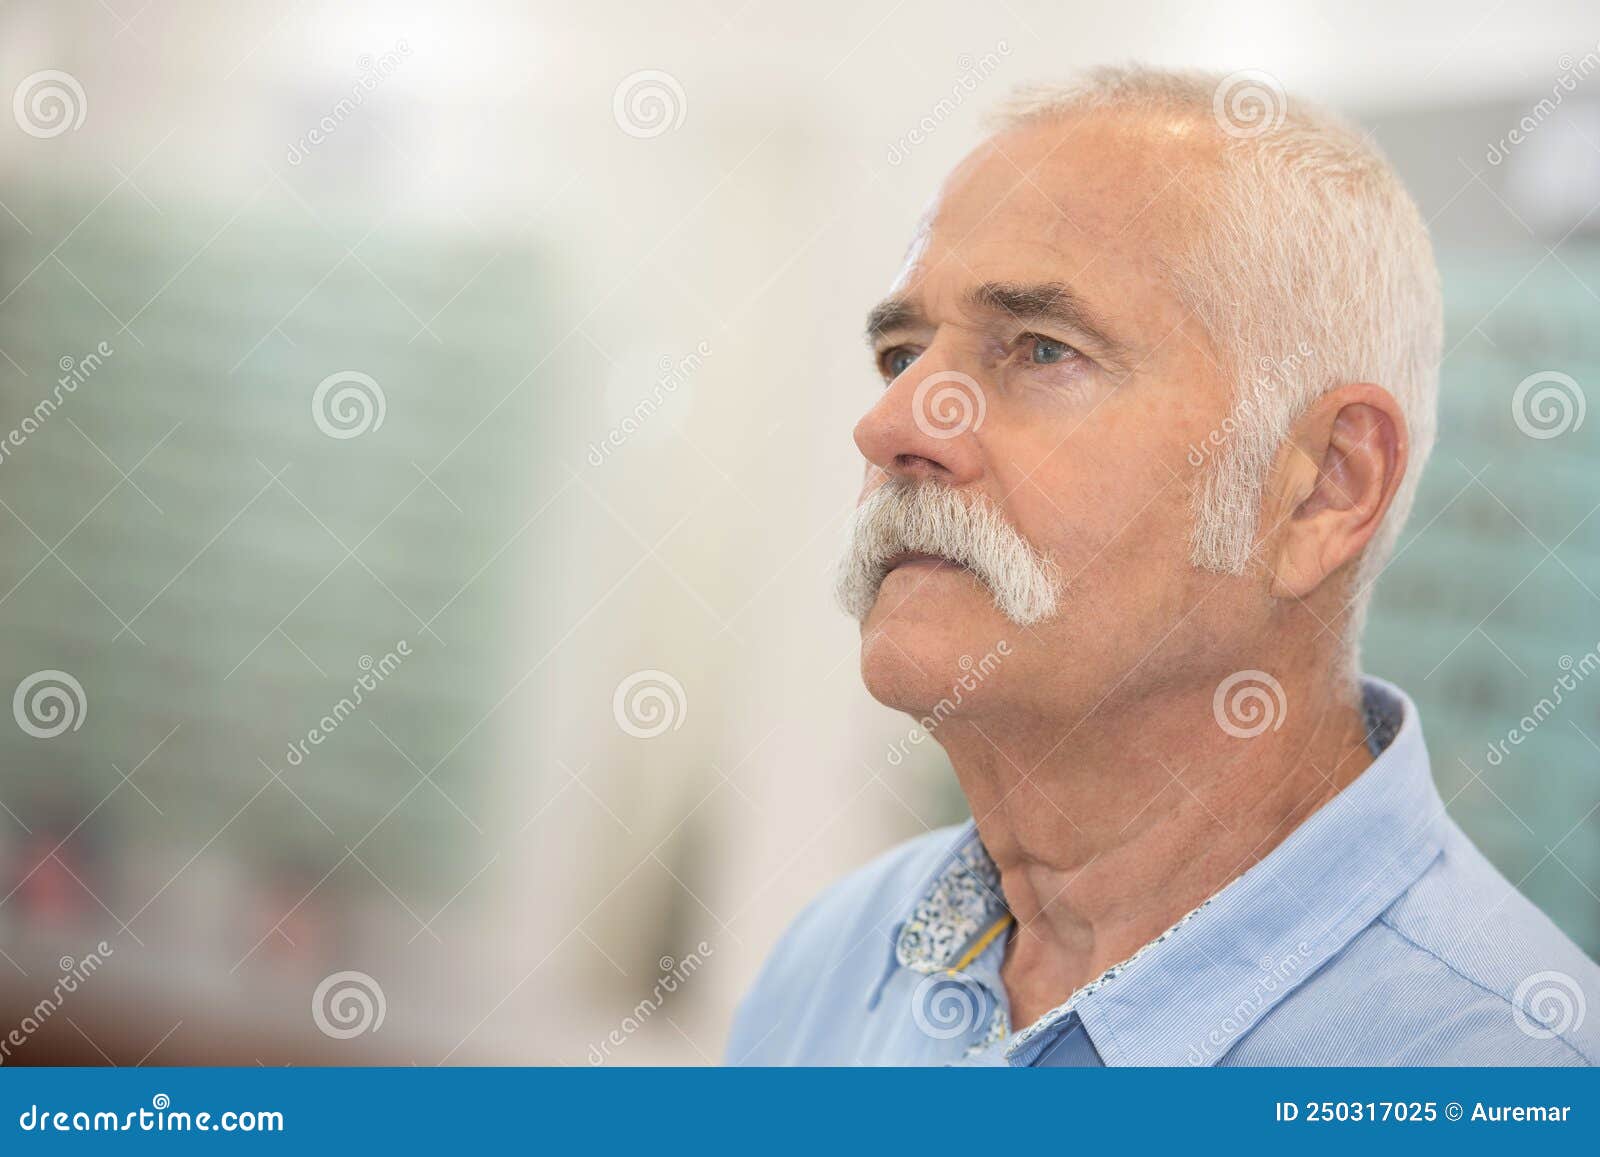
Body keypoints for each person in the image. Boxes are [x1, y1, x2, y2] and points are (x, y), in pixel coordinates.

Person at [726, 66, 1599, 1066]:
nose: (890, 425)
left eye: (1041, 350)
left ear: (1322, 488)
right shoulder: (840, 959)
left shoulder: (1508, 1069)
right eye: (901, 353)